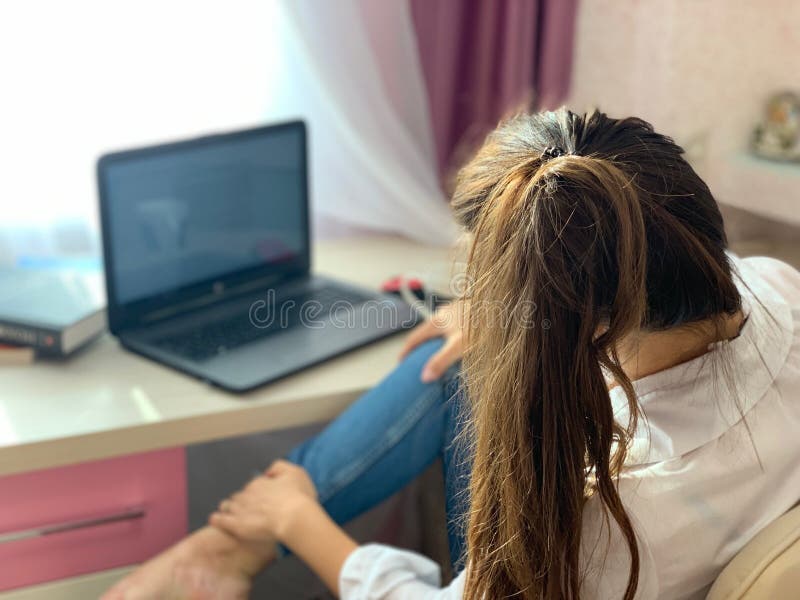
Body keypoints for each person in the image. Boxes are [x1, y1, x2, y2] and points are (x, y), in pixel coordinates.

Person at [103, 109, 800, 600]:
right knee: (463, 354)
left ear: (583, 323)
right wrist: (513, 310)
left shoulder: (615, 514)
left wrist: (299, 522)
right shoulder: (775, 286)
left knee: (456, 372)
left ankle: (232, 547)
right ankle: (224, 554)